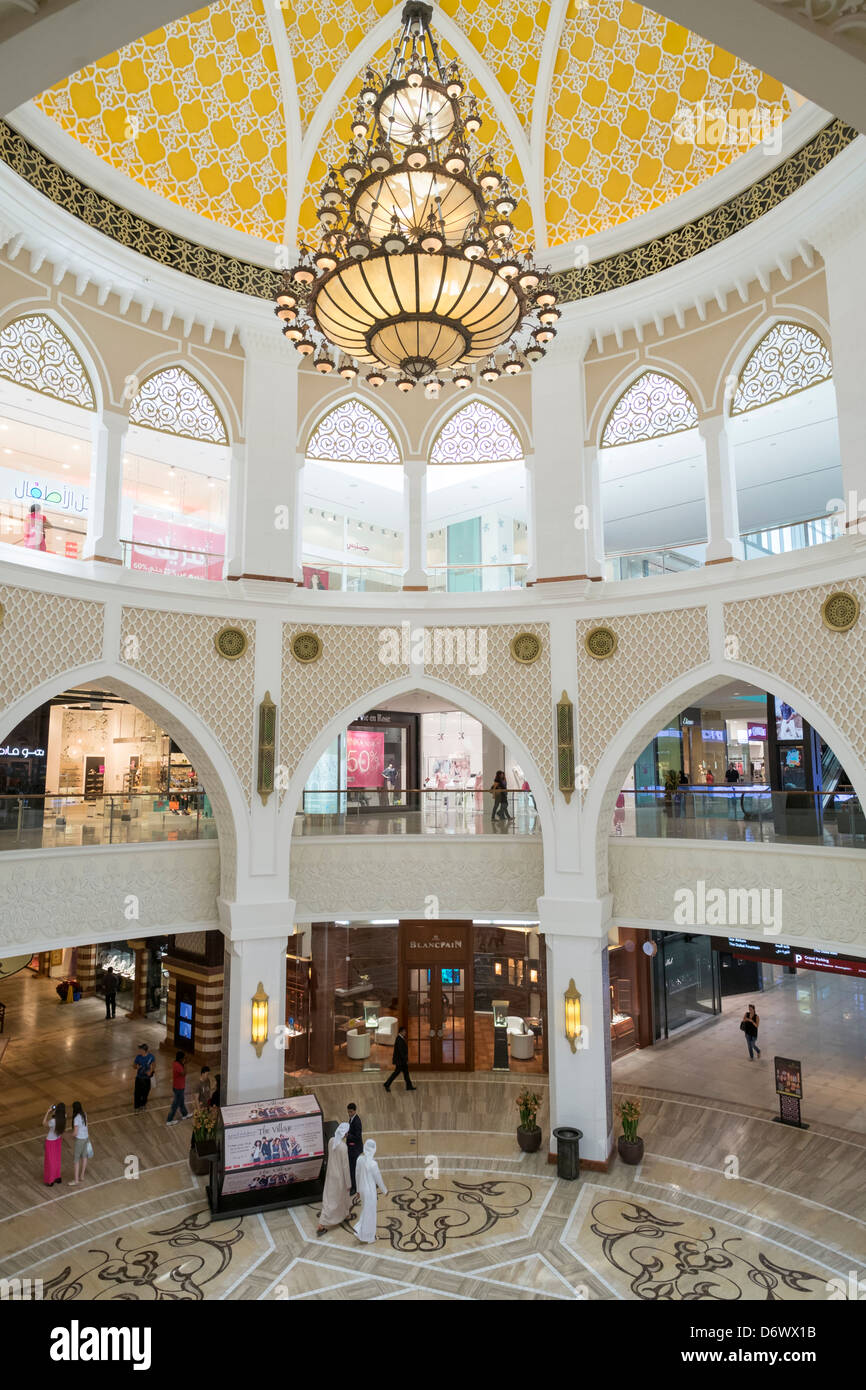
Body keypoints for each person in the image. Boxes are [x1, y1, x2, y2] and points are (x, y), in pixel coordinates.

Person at [317, 1122, 352, 1235]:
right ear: (345, 1133)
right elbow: (345, 1167)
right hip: (339, 1177)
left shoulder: (331, 1141)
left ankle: (346, 1214)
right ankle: (322, 1223)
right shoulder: (343, 1147)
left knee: (330, 1198)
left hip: (330, 1174)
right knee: (335, 1201)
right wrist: (348, 1182)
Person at [353, 1139, 387, 1244]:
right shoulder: (373, 1164)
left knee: (366, 1211)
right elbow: (378, 1179)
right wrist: (385, 1190)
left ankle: (363, 1233)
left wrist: (358, 1190)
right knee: (371, 1214)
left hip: (362, 1190)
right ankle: (363, 1232)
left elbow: (357, 1175)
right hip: (370, 1192)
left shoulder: (359, 1160)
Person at [383, 1025, 416, 1093]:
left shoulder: (400, 1038)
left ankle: (409, 1086)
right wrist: (405, 1060)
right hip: (400, 1061)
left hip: (401, 1060)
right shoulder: (399, 1039)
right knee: (396, 1073)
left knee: (406, 1073)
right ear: (401, 1032)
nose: (405, 1032)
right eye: (404, 1031)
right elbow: (401, 1052)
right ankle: (387, 1084)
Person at [42, 1102, 65, 1186]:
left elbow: (44, 1123)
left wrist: (48, 1112)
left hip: (50, 1141)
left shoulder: (53, 1121)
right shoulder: (64, 1117)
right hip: (58, 1140)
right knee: (56, 1159)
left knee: (49, 1161)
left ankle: (50, 1180)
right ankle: (57, 1177)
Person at [166, 1051, 189, 1124]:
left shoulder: (177, 1063)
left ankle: (185, 1114)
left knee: (181, 1102)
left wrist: (184, 1063)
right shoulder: (177, 1065)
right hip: (178, 1088)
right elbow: (184, 1073)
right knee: (175, 1105)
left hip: (180, 1087)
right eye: (184, 1058)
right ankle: (169, 1120)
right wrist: (185, 1064)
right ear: (181, 1058)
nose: (185, 1059)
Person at [70, 1101, 90, 1185]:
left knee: (76, 1160)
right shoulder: (84, 1114)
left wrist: (68, 1135)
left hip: (80, 1140)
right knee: (84, 1157)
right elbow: (87, 1125)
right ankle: (81, 1176)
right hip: (86, 1138)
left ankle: (76, 1180)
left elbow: (75, 1133)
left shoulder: (76, 1118)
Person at [346, 1102, 363, 1197]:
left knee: (354, 1169)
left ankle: (355, 1187)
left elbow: (357, 1136)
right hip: (352, 1148)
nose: (349, 1113)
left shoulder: (357, 1121)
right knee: (352, 1168)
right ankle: (354, 1185)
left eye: (351, 1112)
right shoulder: (352, 1119)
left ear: (355, 1111)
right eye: (348, 1112)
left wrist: (349, 1135)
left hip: (355, 1149)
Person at [133, 1042, 155, 1111]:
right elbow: (133, 1065)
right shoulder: (138, 1057)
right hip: (139, 1078)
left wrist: (150, 1071)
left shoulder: (151, 1057)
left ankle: (143, 1105)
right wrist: (137, 1066)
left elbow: (154, 1065)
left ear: (144, 1050)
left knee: (145, 1093)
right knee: (137, 1093)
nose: (139, 1051)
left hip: (146, 1079)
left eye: (140, 1049)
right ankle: (136, 1107)